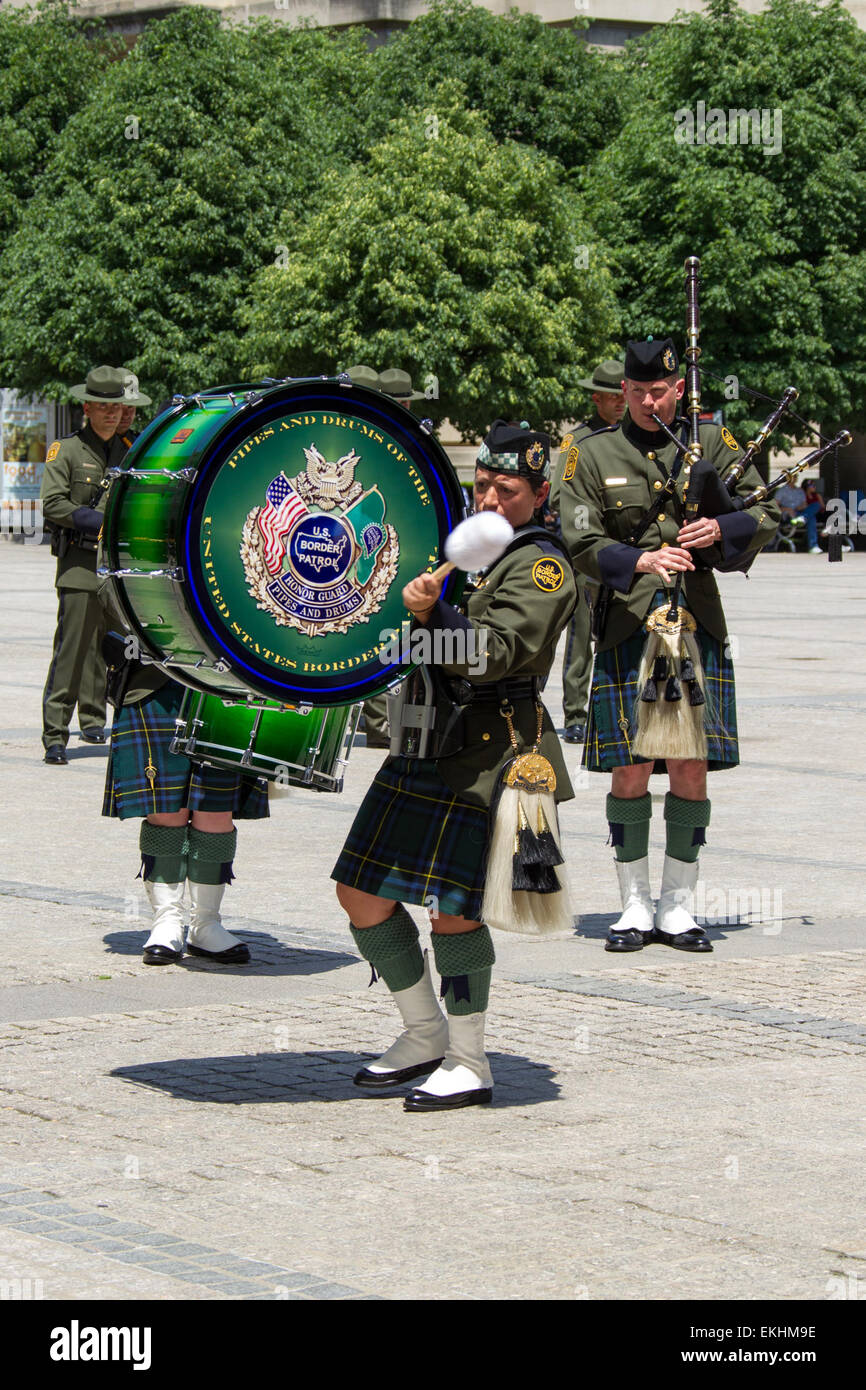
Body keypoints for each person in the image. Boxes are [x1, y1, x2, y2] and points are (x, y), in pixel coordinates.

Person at [331, 420, 576, 1111]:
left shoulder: (541, 566)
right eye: (485, 483)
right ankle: (423, 1032)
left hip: (493, 753)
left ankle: (470, 1059)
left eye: (509, 488)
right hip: (428, 742)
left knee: (455, 915)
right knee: (360, 892)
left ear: (537, 495)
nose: (492, 497)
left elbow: (496, 653)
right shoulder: (463, 553)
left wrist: (436, 613)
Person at [559, 337, 779, 954]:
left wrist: (723, 525)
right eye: (638, 391)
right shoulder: (588, 452)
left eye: (660, 391)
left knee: (690, 766)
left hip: (696, 623)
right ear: (621, 393)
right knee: (628, 768)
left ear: (678, 389)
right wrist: (641, 558)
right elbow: (578, 535)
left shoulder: (714, 442)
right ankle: (632, 904)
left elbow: (766, 512)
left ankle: (679, 904)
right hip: (629, 624)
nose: (650, 400)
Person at [101, 652, 270, 966]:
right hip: (156, 675)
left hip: (228, 678)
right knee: (164, 807)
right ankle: (167, 920)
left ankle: (206, 923)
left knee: (216, 808)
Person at [40, 366, 148, 765]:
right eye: (102, 406)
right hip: (81, 566)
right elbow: (52, 504)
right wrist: (100, 522)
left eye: (116, 406)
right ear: (87, 406)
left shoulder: (132, 450)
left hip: (120, 572)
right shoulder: (66, 450)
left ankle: (125, 725)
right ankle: (55, 735)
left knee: (131, 652)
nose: (110, 413)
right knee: (71, 653)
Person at [346, 364, 427, 750]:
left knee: (376, 631)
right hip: (361, 544)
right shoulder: (377, 435)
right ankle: (377, 723)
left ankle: (376, 721)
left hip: (375, 543)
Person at [550, 360, 626, 744]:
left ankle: (621, 709)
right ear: (596, 398)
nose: (619, 403)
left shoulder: (637, 438)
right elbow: (558, 495)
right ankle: (577, 714)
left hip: (632, 549)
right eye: (612, 396)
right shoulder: (577, 442)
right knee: (581, 633)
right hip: (590, 549)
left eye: (623, 395)